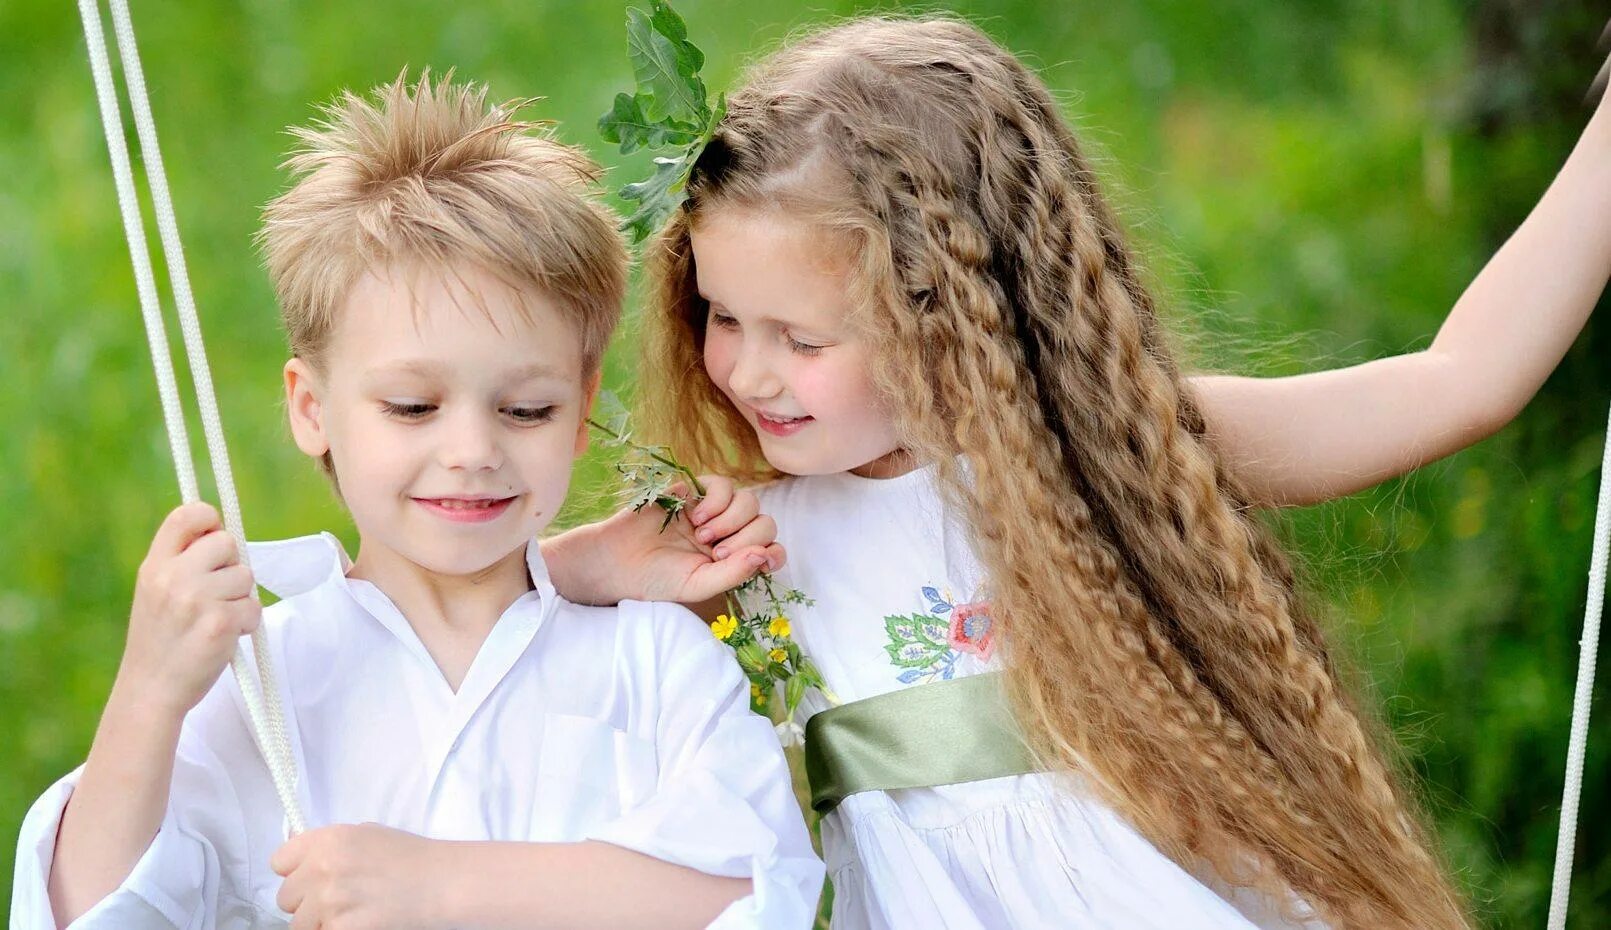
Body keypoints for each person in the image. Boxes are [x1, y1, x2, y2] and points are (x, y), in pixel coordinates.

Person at [625, 15, 1611, 930]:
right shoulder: (738, 535)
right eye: (721, 316)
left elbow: (1463, 380)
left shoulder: (1117, 448)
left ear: (953, 309)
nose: (747, 372)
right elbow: (510, 598)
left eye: (800, 338)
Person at [11, 73, 822, 930]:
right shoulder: (258, 682)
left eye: (525, 410)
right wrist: (149, 692)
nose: (472, 452)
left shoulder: (652, 661)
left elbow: (760, 892)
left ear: (581, 414)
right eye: (411, 407)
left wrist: (441, 888)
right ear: (311, 408)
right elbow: (91, 915)